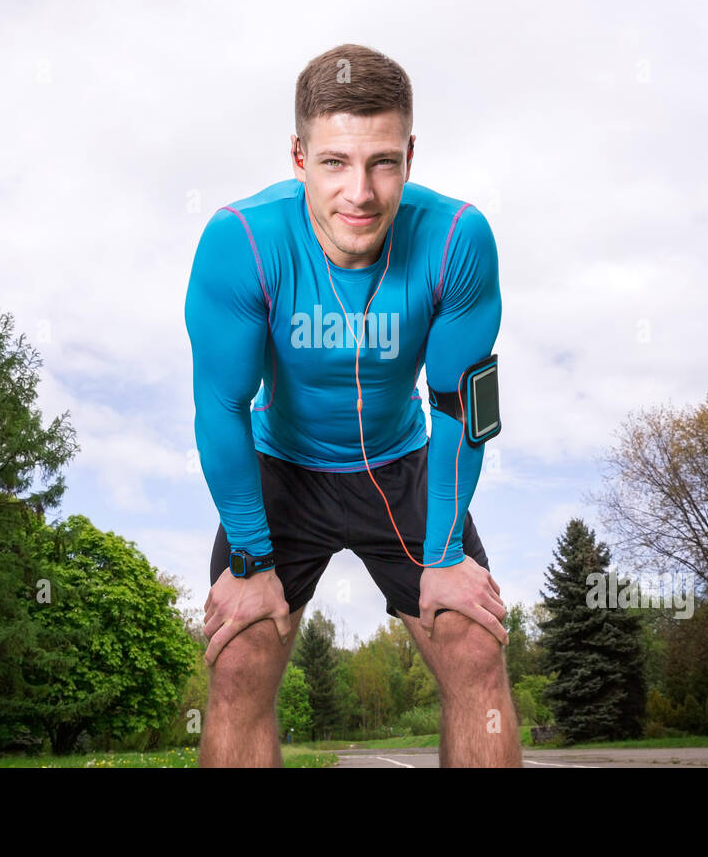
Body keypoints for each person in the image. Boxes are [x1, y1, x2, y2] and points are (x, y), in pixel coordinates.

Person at [184, 43, 520, 767]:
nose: (360, 193)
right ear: (299, 157)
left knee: (472, 645)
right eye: (335, 162)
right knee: (237, 662)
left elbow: (463, 406)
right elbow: (221, 406)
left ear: (410, 154)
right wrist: (248, 558)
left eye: (383, 162)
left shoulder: (459, 239)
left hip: (401, 468)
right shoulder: (240, 242)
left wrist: (444, 553)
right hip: (284, 471)